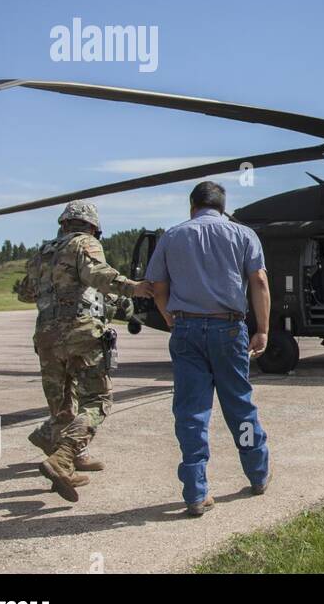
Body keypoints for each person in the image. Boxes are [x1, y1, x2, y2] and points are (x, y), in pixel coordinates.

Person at [145, 181, 272, 517]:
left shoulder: (172, 236)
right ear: (222, 205)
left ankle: (196, 493)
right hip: (229, 328)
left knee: (191, 413)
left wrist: (171, 319)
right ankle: (258, 474)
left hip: (186, 330)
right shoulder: (243, 235)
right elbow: (258, 280)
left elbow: (158, 286)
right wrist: (263, 330)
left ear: (192, 207)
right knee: (239, 406)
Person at [17, 200, 153, 501]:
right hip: (79, 334)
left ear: (63, 223)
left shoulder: (42, 253)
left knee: (63, 405)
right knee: (98, 399)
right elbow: (97, 274)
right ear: (93, 227)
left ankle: (62, 461)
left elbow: (25, 293)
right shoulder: (85, 244)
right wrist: (135, 287)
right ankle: (62, 457)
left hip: (47, 337)